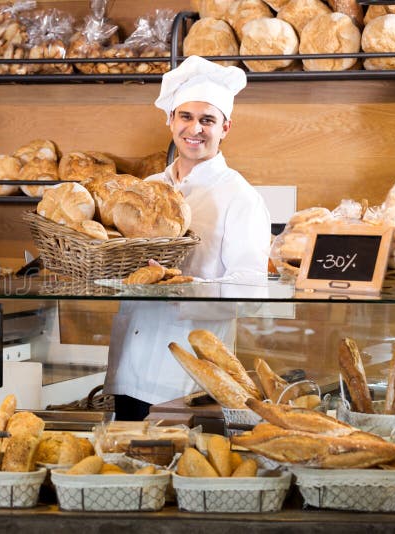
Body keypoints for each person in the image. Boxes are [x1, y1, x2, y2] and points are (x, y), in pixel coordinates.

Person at [104, 56, 272, 421]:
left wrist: (183, 287)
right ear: (170, 121)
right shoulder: (146, 189)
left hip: (184, 380)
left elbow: (252, 291)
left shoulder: (240, 197)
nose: (195, 128)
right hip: (127, 368)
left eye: (207, 120)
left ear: (225, 127)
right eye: (186, 116)